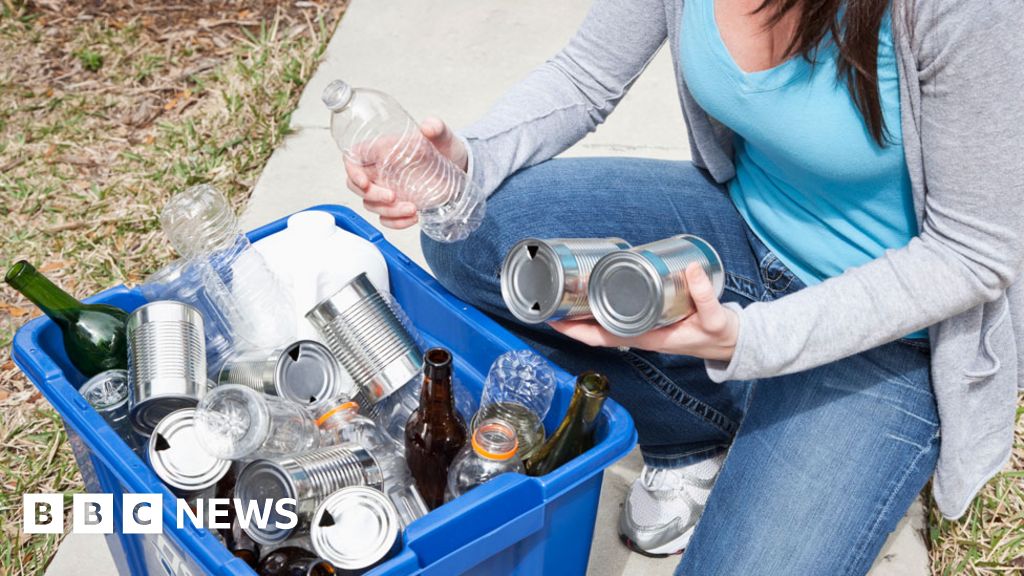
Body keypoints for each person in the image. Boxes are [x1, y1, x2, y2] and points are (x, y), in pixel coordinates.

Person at [342, 0, 1023, 573]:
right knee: (474, 231)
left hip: (885, 335)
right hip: (730, 238)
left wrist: (752, 340)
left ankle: (776, 407)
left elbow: (973, 252)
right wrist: (468, 158)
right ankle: (694, 431)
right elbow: (585, 76)